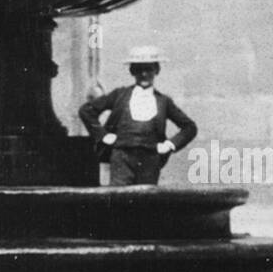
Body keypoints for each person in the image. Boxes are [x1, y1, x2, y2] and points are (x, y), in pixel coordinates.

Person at [79, 46, 197, 186]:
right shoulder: (119, 95)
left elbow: (189, 127)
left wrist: (170, 145)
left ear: (157, 70)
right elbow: (87, 110)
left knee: (145, 201)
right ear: (132, 71)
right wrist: (103, 135)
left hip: (150, 159)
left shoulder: (164, 101)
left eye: (149, 69)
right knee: (119, 199)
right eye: (139, 69)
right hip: (121, 158)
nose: (144, 74)